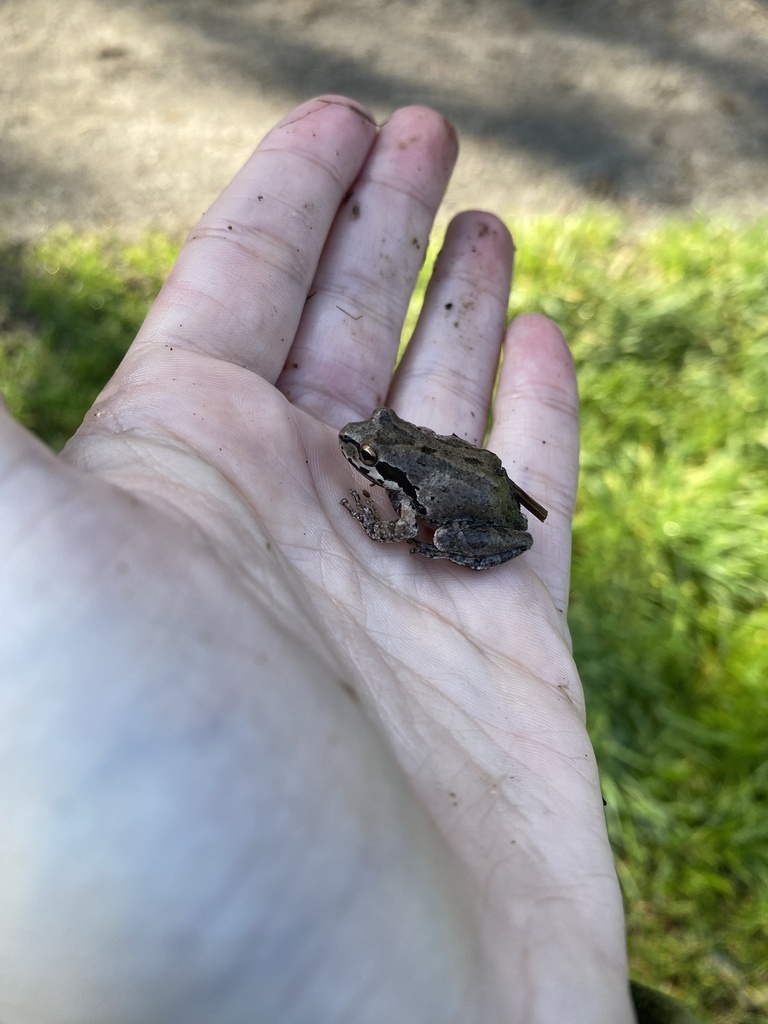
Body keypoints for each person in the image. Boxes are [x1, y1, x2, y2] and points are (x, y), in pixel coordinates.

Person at [0, 96, 696, 1023]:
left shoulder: (396, 485)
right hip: (482, 476)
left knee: (444, 525)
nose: (356, 452)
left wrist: (386, 520)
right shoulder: (386, 438)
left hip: (471, 508)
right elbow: (447, 453)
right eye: (368, 450)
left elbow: (413, 522)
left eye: (366, 455)